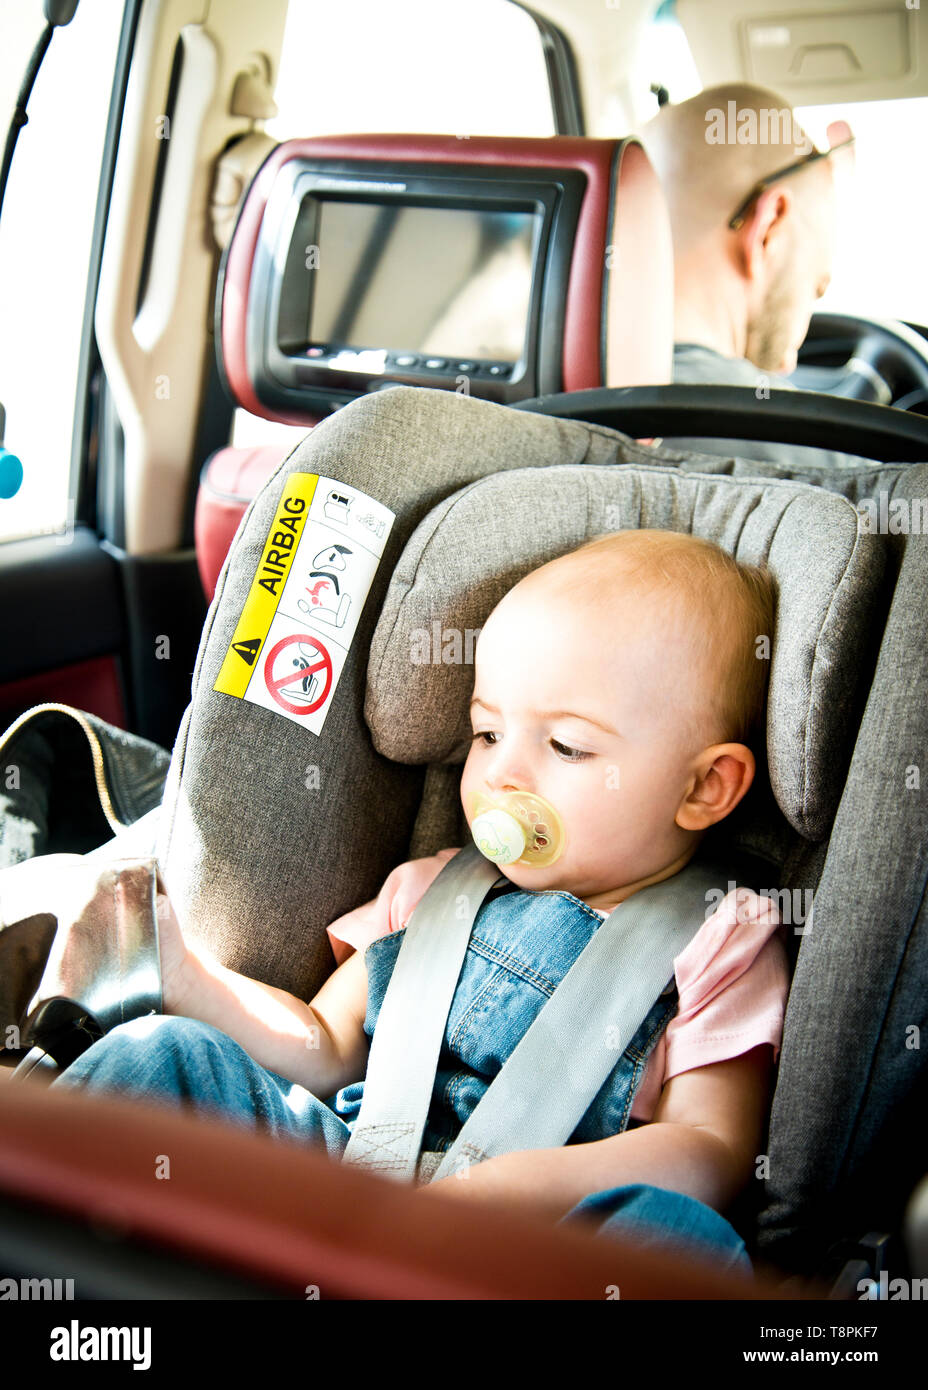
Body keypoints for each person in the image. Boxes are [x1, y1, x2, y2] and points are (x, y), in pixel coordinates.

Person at [51, 528, 788, 1276]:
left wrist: (504, 1191)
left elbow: (713, 1149)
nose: (504, 774)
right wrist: (188, 979)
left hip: (542, 1246)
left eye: (566, 747)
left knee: (678, 1235)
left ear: (703, 787)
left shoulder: (721, 938)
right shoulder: (432, 891)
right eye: (487, 732)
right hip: (352, 1182)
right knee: (171, 1057)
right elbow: (325, 1046)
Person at [638, 83, 879, 475]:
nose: (789, 361)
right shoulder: (835, 464)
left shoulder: (524, 408)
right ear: (767, 231)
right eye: (813, 287)